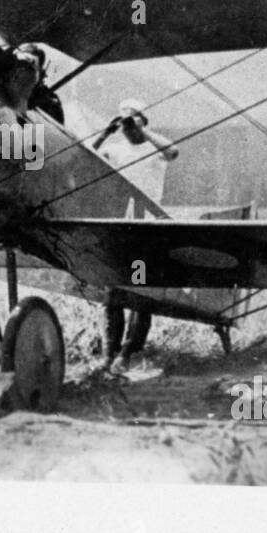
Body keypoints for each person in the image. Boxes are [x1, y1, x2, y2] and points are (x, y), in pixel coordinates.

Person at [91, 98, 179, 371]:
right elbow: (85, 154)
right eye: (124, 121)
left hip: (148, 230)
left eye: (134, 119)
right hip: (121, 227)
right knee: (113, 290)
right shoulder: (115, 150)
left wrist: (142, 130)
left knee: (140, 290)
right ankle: (109, 352)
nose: (128, 126)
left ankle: (127, 353)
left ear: (143, 120)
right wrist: (106, 132)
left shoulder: (155, 151)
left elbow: (173, 151)